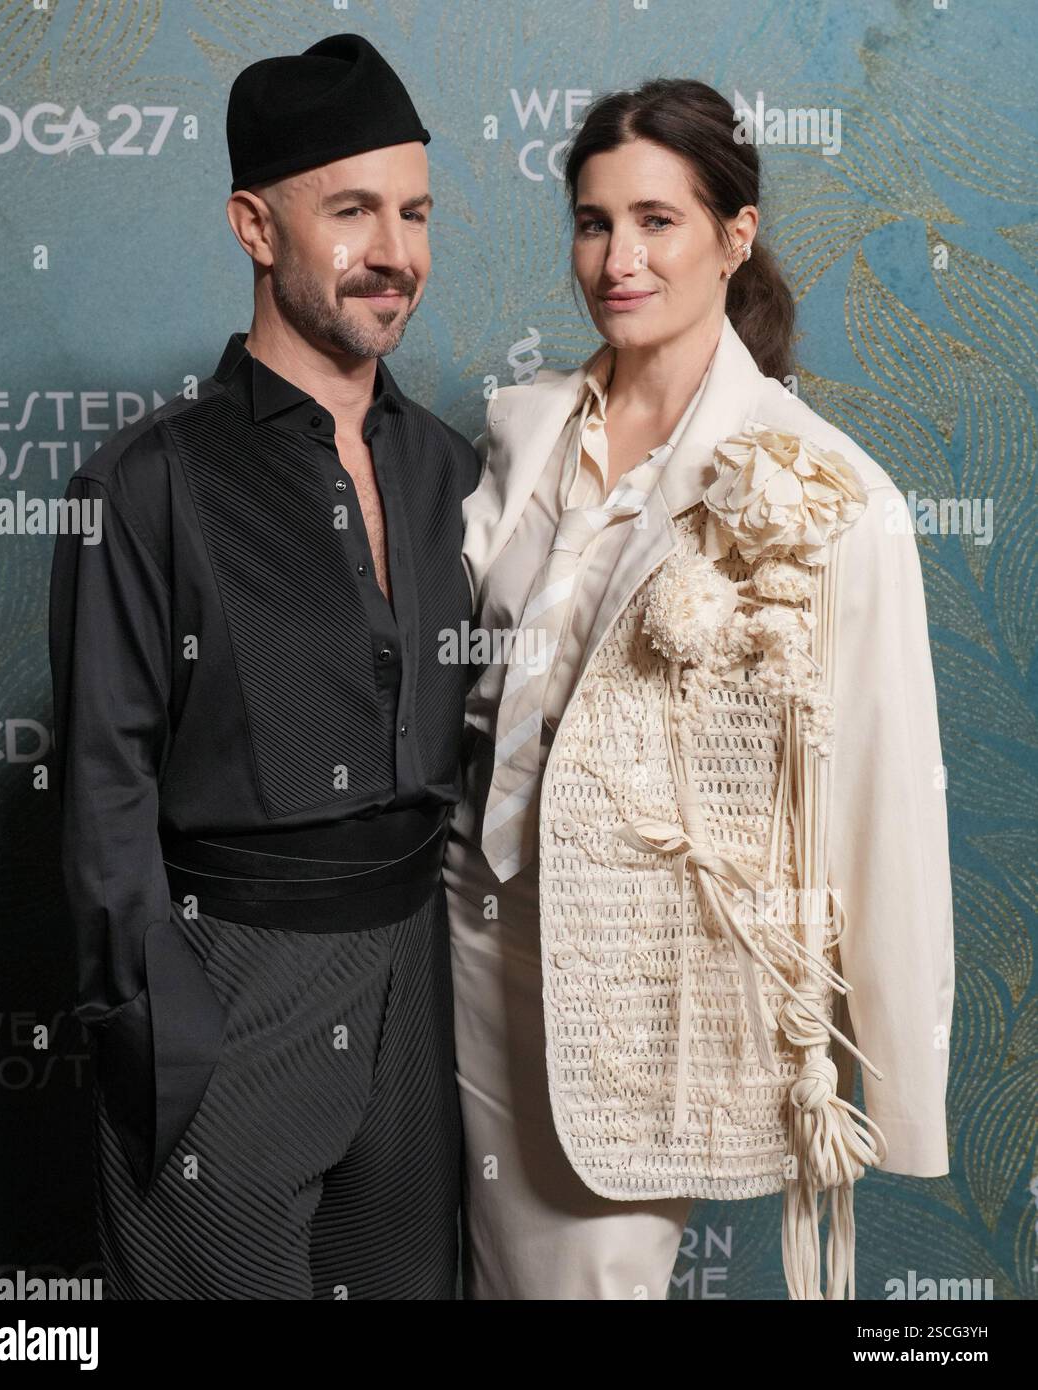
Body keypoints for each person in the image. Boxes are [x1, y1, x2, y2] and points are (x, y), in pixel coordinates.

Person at [445, 78, 954, 1300]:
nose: (616, 259)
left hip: (641, 972)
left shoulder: (831, 496)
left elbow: (886, 789)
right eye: (591, 221)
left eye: (655, 221)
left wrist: (898, 1087)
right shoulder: (517, 434)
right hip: (456, 935)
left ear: (733, 235)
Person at [48, 33, 479, 1300]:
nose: (393, 249)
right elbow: (100, 792)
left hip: (416, 983)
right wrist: (161, 1044)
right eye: (350, 210)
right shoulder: (146, 482)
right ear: (254, 224)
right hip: (227, 990)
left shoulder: (457, 470)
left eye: (413, 212)